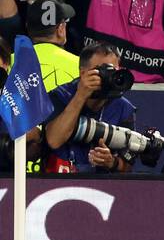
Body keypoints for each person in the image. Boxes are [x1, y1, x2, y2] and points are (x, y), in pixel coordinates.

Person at [42, 45, 138, 174]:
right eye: (103, 70)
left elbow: (127, 167)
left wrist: (112, 162)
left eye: (113, 71)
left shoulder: (123, 108)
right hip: (56, 181)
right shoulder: (60, 95)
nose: (108, 77)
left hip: (101, 185)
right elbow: (53, 141)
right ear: (83, 73)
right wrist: (81, 95)